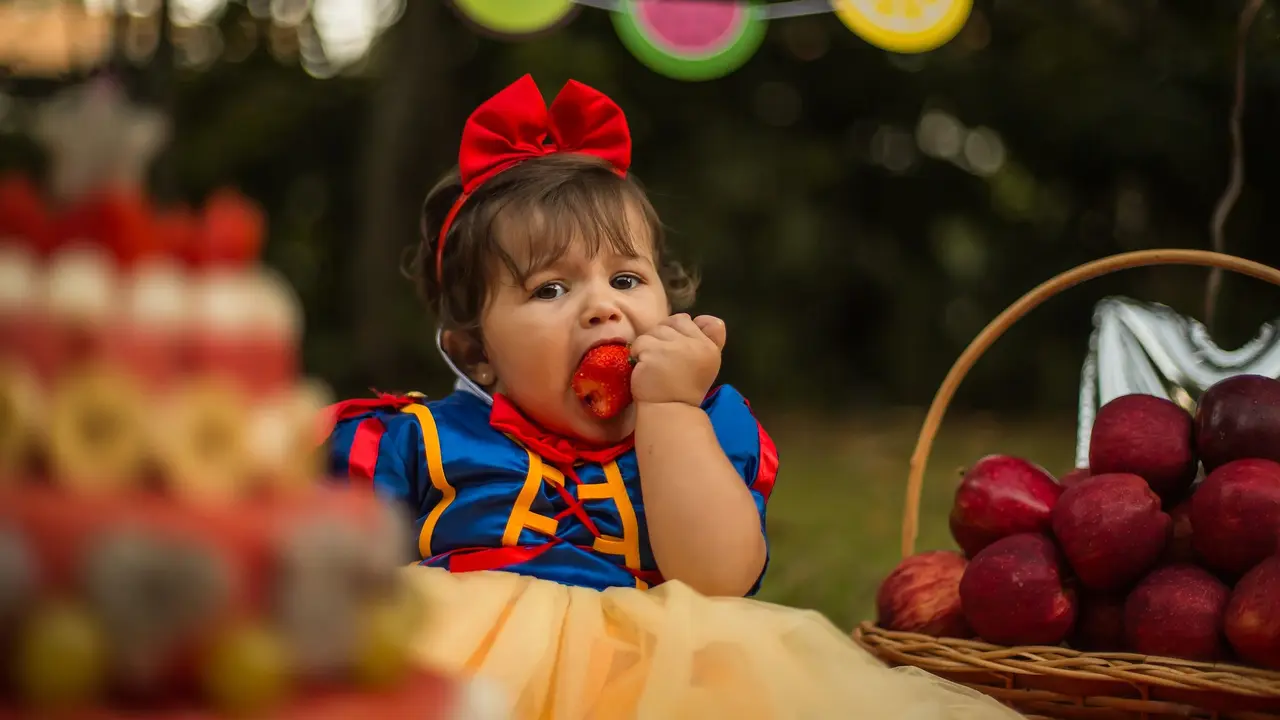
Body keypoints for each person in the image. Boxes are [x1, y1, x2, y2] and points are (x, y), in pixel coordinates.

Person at [322, 75, 1022, 719]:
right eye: (551, 289)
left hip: (663, 675)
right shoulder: (423, 439)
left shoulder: (703, 424)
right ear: (477, 352)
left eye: (626, 280)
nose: (602, 308)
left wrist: (670, 407)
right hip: (476, 669)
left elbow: (717, 577)